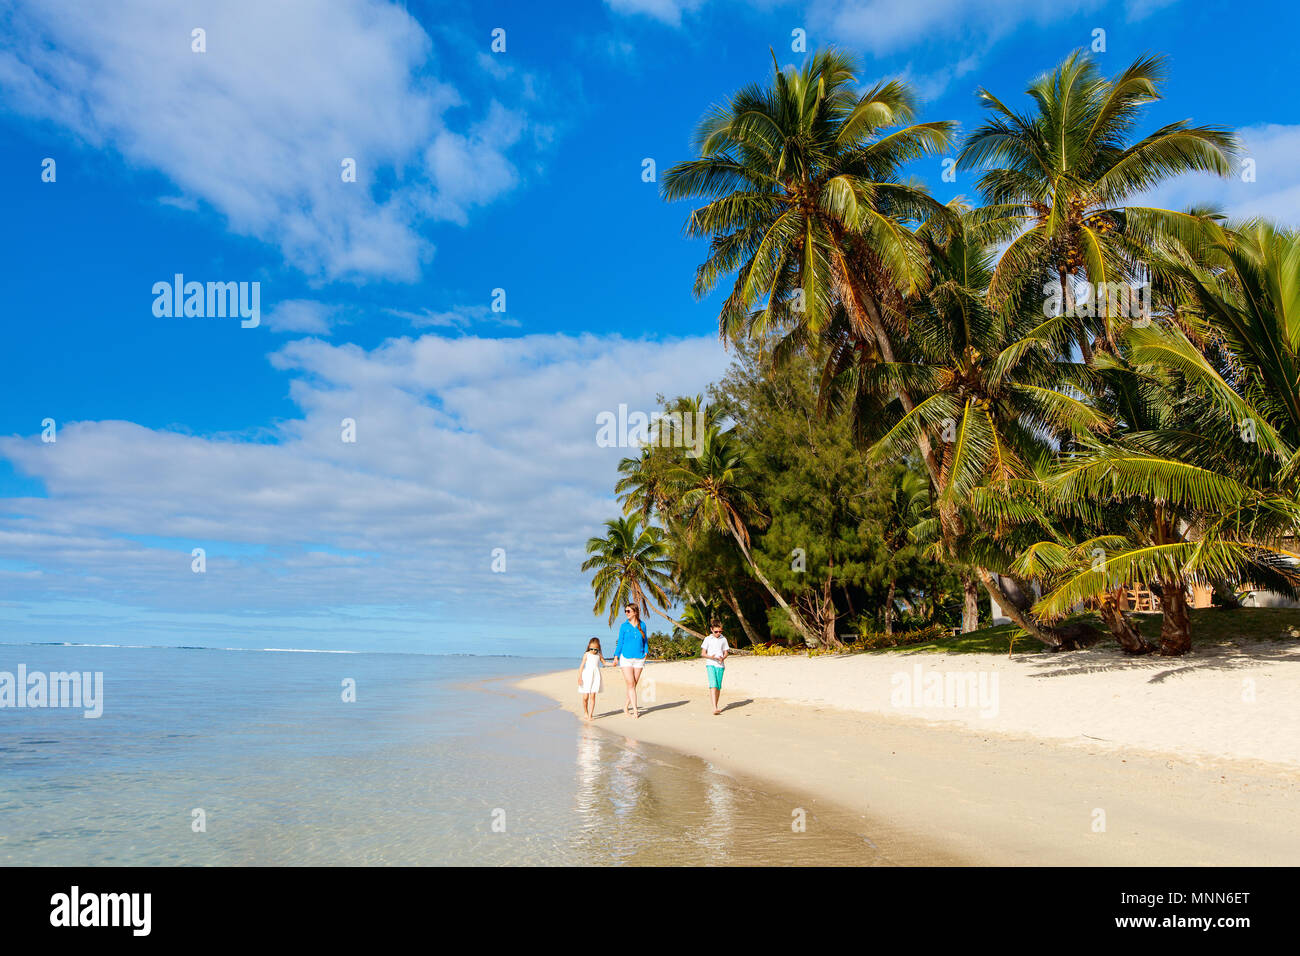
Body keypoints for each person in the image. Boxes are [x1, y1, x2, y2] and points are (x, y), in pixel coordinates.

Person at [614, 603, 649, 718]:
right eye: (625, 611)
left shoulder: (642, 625)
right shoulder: (624, 626)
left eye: (628, 611)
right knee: (630, 684)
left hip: (639, 659)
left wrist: (646, 652)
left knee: (633, 685)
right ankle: (635, 710)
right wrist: (616, 656)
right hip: (626, 658)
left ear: (635, 612)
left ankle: (625, 706)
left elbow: (645, 641)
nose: (626, 613)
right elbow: (620, 642)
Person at [700, 620, 729, 715]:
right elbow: (703, 654)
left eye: (720, 631)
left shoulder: (723, 639)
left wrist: (723, 658)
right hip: (710, 664)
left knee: (718, 687)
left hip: (720, 665)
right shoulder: (707, 639)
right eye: (716, 631)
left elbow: (726, 653)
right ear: (711, 629)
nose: (718, 633)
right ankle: (715, 708)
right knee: (713, 685)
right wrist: (711, 657)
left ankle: (716, 705)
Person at [577, 637, 606, 720]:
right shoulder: (586, 654)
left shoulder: (598, 655)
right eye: (591, 648)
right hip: (586, 677)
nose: (593, 650)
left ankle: (590, 715)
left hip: (596, 677)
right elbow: (581, 666)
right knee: (585, 697)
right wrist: (579, 678)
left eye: (595, 649)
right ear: (589, 646)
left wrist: (613, 664)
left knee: (592, 696)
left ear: (598, 647)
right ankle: (585, 712)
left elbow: (604, 663)